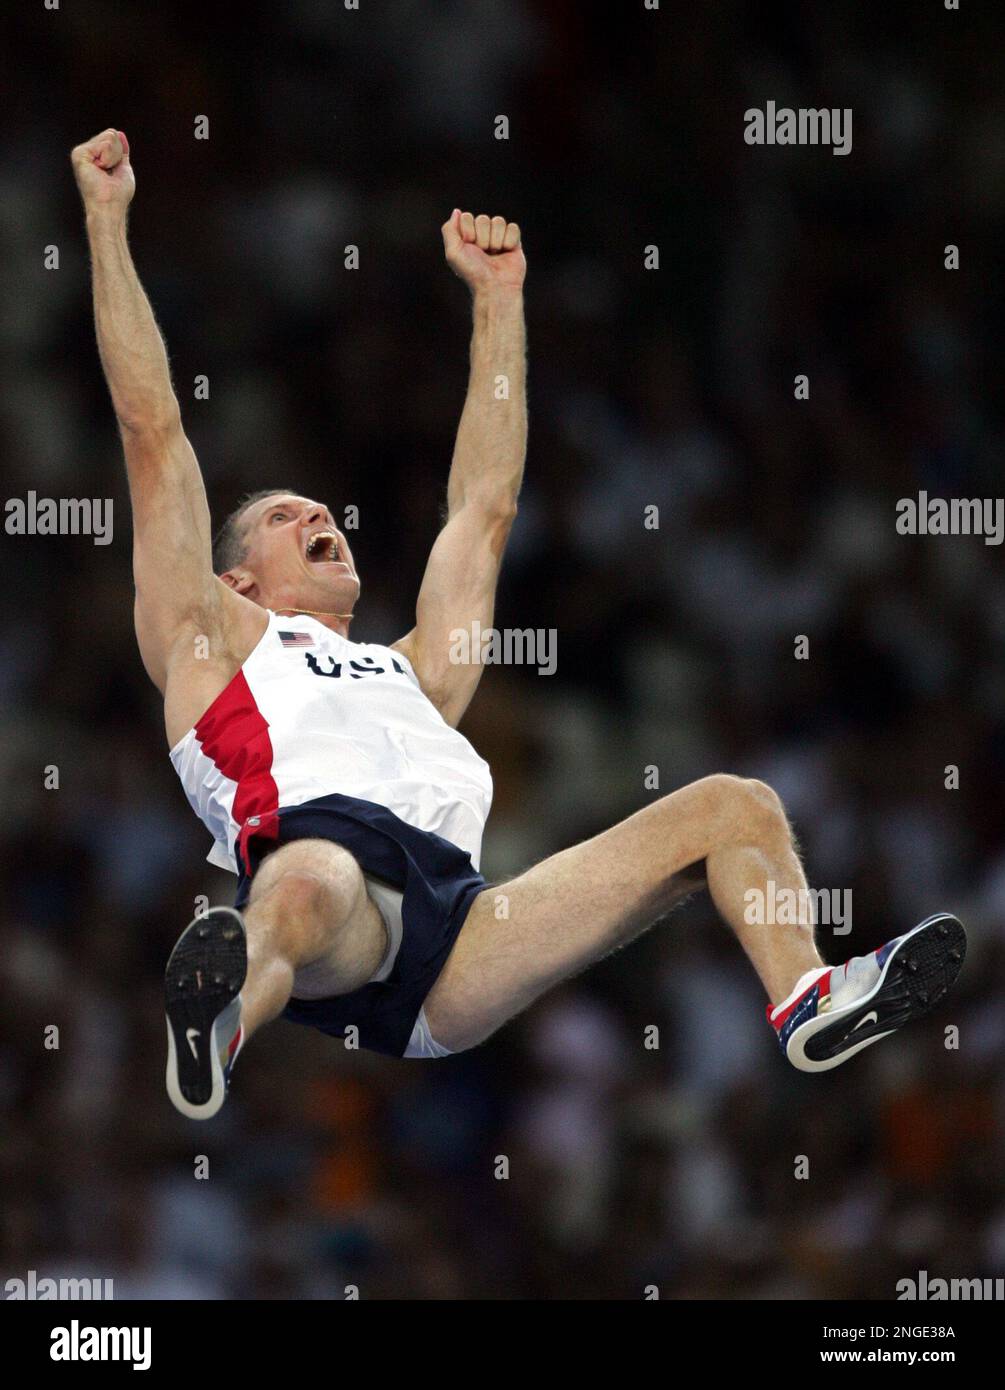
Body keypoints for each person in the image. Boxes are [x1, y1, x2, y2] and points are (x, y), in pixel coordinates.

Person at [72, 127, 966, 1121]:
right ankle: (222, 1018)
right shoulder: (210, 643)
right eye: (285, 516)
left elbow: (485, 508)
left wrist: (500, 306)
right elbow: (154, 432)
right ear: (235, 579)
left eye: (319, 506)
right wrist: (107, 224)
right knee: (308, 880)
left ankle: (809, 995)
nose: (318, 515)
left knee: (737, 804)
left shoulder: (413, 673)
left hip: (462, 937)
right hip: (329, 907)